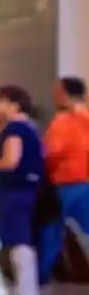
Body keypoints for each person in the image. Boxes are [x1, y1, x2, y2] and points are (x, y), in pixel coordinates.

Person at [0, 85, 45, 295]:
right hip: (30, 190)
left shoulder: (14, 128)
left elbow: (11, 160)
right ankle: (29, 293)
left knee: (18, 242)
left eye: (1, 101)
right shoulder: (32, 128)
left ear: (14, 104)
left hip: (15, 191)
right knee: (25, 241)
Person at [43, 76, 89, 265]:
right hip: (86, 183)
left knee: (50, 231)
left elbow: (51, 153)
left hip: (64, 185)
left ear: (63, 93)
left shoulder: (62, 122)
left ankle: (38, 283)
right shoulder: (85, 118)